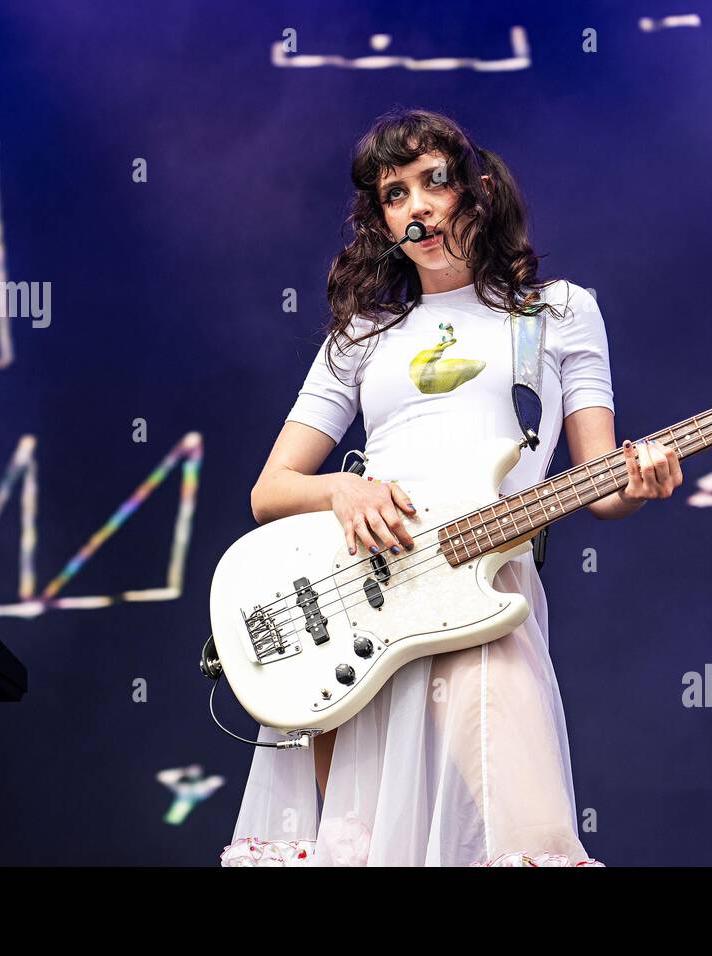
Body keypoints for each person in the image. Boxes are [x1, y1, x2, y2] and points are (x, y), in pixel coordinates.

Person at [221, 108, 681, 867]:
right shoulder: (362, 332)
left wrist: (642, 478)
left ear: (480, 190)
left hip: (486, 586)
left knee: (522, 832)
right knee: (353, 843)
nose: (417, 207)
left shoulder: (558, 310)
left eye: (434, 182)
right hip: (360, 595)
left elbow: (601, 485)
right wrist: (345, 492)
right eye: (393, 194)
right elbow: (271, 489)